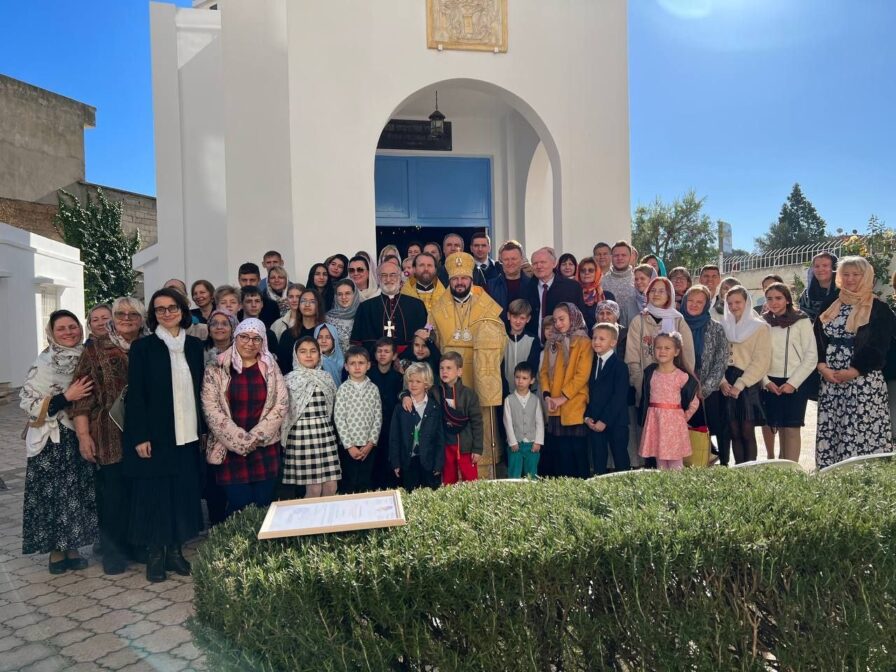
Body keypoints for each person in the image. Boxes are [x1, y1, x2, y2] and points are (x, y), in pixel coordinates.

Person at [124, 288, 205, 582]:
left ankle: (175, 553)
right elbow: (136, 397)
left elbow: (200, 393)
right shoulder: (143, 348)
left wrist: (203, 431)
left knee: (181, 494)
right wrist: (140, 436)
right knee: (156, 496)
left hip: (188, 434)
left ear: (183, 311)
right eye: (160, 309)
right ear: (153, 314)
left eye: (172, 308)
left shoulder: (194, 347)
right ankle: (155, 556)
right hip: (157, 436)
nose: (167, 313)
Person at [70, 298, 145, 574]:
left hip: (144, 432)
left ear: (142, 318)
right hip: (108, 431)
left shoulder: (148, 346)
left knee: (139, 491)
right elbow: (81, 398)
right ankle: (113, 551)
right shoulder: (95, 350)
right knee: (113, 493)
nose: (127, 318)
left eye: (133, 314)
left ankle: (137, 544)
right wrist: (83, 435)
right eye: (121, 313)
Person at [20, 310, 97, 574]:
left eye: (73, 327)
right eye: (61, 328)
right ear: (51, 333)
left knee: (74, 493)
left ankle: (73, 547)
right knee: (53, 495)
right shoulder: (45, 362)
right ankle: (55, 551)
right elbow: (27, 401)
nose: (68, 333)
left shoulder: (86, 357)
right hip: (52, 438)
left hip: (78, 432)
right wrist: (66, 396)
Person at [427, 252, 507, 478]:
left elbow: (502, 338)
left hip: (479, 374)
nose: (459, 283)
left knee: (480, 419)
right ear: (449, 281)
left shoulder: (487, 305)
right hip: (450, 379)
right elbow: (431, 341)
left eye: (463, 278)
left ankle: (482, 471)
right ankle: (452, 474)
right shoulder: (437, 308)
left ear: (471, 279)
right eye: (455, 279)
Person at [814, 256, 896, 469]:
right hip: (831, 381)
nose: (850, 279)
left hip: (863, 382)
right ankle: (831, 477)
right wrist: (822, 366)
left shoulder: (880, 309)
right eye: (846, 274)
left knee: (862, 430)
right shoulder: (830, 302)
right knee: (833, 430)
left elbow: (879, 346)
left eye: (856, 274)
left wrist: (855, 370)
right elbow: (817, 337)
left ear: (866, 276)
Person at [201, 319, 287, 517]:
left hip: (264, 446)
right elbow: (211, 409)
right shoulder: (217, 366)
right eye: (244, 337)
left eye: (256, 338)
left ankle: (260, 548)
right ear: (235, 337)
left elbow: (281, 403)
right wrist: (241, 440)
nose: (250, 343)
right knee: (239, 504)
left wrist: (255, 437)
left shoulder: (270, 365)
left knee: (263, 504)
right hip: (230, 449)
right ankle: (236, 546)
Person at [759, 283, 817, 462]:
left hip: (795, 381)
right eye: (770, 299)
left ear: (787, 299)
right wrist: (765, 381)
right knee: (773, 425)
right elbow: (756, 356)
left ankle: (791, 469)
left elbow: (811, 355)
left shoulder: (801, 320)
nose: (774, 302)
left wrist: (793, 383)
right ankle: (775, 463)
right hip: (770, 382)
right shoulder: (762, 322)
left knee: (791, 428)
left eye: (778, 298)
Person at [281, 337, 341, 498]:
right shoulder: (289, 379)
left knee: (331, 486)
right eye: (303, 351)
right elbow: (284, 413)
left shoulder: (326, 377)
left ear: (319, 354)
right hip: (301, 435)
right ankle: (310, 522)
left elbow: (333, 407)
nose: (308, 355)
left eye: (313, 351)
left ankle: (327, 522)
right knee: (313, 489)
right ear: (295, 355)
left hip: (324, 433)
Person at [539, 302, 593, 478]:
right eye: (555, 320)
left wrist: (563, 397)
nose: (558, 324)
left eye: (562, 319)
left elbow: (581, 375)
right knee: (561, 456)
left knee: (577, 454)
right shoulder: (552, 342)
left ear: (573, 317)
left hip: (574, 405)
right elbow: (544, 371)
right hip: (555, 406)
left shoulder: (584, 342)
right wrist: (547, 396)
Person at [719, 286, 771, 464]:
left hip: (747, 384)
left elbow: (761, 360)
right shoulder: (723, 325)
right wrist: (722, 381)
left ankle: (751, 472)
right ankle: (739, 470)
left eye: (738, 302)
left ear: (746, 302)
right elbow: (718, 356)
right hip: (727, 381)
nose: (734, 306)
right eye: (730, 303)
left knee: (747, 430)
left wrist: (741, 384)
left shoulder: (759, 327)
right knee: (733, 430)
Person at [625, 277, 696, 406]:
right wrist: (641, 385)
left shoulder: (678, 321)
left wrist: (680, 385)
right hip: (645, 387)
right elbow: (632, 358)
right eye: (653, 290)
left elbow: (688, 357)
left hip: (674, 390)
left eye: (661, 291)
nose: (656, 294)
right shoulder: (639, 321)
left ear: (669, 295)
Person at [681, 285, 730, 465]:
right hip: (683, 390)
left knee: (717, 429)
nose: (694, 305)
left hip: (709, 391)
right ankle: (691, 465)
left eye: (699, 302)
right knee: (688, 432)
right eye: (691, 300)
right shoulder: (677, 324)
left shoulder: (715, 327)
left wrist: (706, 387)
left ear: (706, 304)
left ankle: (722, 464)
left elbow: (721, 359)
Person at [638, 332, 700, 470]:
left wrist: (683, 417)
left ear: (676, 351)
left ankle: (677, 490)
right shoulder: (650, 373)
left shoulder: (681, 376)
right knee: (660, 462)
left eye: (667, 348)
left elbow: (694, 402)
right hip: (656, 422)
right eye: (658, 347)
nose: (662, 351)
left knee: (675, 463)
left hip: (674, 425)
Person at [351, 259, 427, 356]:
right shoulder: (365, 307)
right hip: (375, 362)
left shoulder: (417, 305)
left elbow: (424, 337)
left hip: (409, 361)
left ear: (400, 278)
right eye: (384, 275)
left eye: (393, 275)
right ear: (378, 278)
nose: (388, 279)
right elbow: (357, 344)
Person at [389, 362, 445, 491]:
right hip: (408, 462)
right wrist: (395, 462)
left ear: (426, 384)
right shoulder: (400, 408)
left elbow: (439, 439)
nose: (413, 384)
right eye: (411, 381)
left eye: (418, 381)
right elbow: (394, 437)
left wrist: (438, 464)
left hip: (429, 462)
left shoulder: (434, 407)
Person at [334, 346, 382, 493]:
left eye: (361, 363)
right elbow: (339, 418)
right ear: (346, 367)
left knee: (365, 481)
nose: (357, 367)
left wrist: (371, 443)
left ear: (368, 365)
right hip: (349, 446)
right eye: (352, 363)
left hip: (368, 445)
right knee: (349, 481)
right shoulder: (343, 389)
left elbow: (378, 417)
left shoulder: (373, 388)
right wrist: (349, 446)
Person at [584, 323, 630, 475]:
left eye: (602, 339)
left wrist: (605, 420)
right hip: (595, 422)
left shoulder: (620, 366)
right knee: (598, 461)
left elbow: (619, 397)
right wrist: (588, 416)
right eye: (594, 337)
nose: (596, 341)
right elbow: (589, 392)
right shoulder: (591, 364)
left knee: (621, 460)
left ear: (613, 342)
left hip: (616, 422)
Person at [433, 352, 483, 484]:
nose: (444, 371)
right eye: (442, 368)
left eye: (449, 368)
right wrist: (404, 396)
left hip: (465, 445)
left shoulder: (469, 394)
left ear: (459, 371)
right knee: (448, 482)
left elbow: (477, 423)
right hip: (446, 445)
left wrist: (477, 449)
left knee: (471, 482)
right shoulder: (435, 392)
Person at [525, 247, 588, 341]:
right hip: (534, 345)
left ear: (554, 264)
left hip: (564, 345)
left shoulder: (572, 287)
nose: (538, 266)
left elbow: (580, 319)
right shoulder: (526, 287)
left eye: (543, 262)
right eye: (535, 263)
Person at [369, 337, 404, 489]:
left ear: (394, 355)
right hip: (371, 426)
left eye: (387, 351)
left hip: (391, 426)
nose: (382, 354)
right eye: (379, 351)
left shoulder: (399, 378)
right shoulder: (368, 376)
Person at [502, 362, 544, 479]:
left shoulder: (535, 400)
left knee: (532, 474)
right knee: (514, 474)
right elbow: (508, 422)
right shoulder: (509, 400)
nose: (520, 381)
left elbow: (539, 422)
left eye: (524, 378)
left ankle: (532, 496)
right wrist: (512, 442)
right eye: (517, 377)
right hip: (516, 444)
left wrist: (538, 441)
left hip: (532, 444)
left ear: (531, 380)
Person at [277, 288, 327, 374]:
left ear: (318, 306)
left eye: (312, 301)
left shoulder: (325, 334)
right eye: (303, 301)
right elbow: (283, 365)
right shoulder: (288, 335)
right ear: (299, 305)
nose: (307, 304)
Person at [487, 240, 536, 319]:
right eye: (506, 259)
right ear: (501, 261)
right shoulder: (490, 286)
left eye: (513, 259)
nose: (510, 263)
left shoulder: (533, 285)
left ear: (521, 259)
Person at [502, 299, 542, 395]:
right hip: (505, 392)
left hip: (528, 393)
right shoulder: (501, 339)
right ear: (508, 316)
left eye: (522, 318)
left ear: (528, 319)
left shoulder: (533, 340)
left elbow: (533, 367)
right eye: (514, 317)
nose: (518, 321)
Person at [600, 241, 640, 327]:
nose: (620, 258)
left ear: (630, 257)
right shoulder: (602, 282)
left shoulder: (638, 280)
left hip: (634, 331)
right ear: (611, 257)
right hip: (608, 331)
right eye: (616, 255)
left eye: (623, 255)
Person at [799, 252, 839, 320]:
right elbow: (804, 318)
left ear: (834, 268)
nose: (820, 269)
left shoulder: (843, 291)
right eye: (817, 266)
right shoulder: (807, 294)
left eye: (825, 265)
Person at [326, 278, 360, 354]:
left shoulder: (362, 314)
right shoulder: (327, 319)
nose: (343, 297)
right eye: (340, 294)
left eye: (347, 293)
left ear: (354, 294)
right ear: (335, 296)